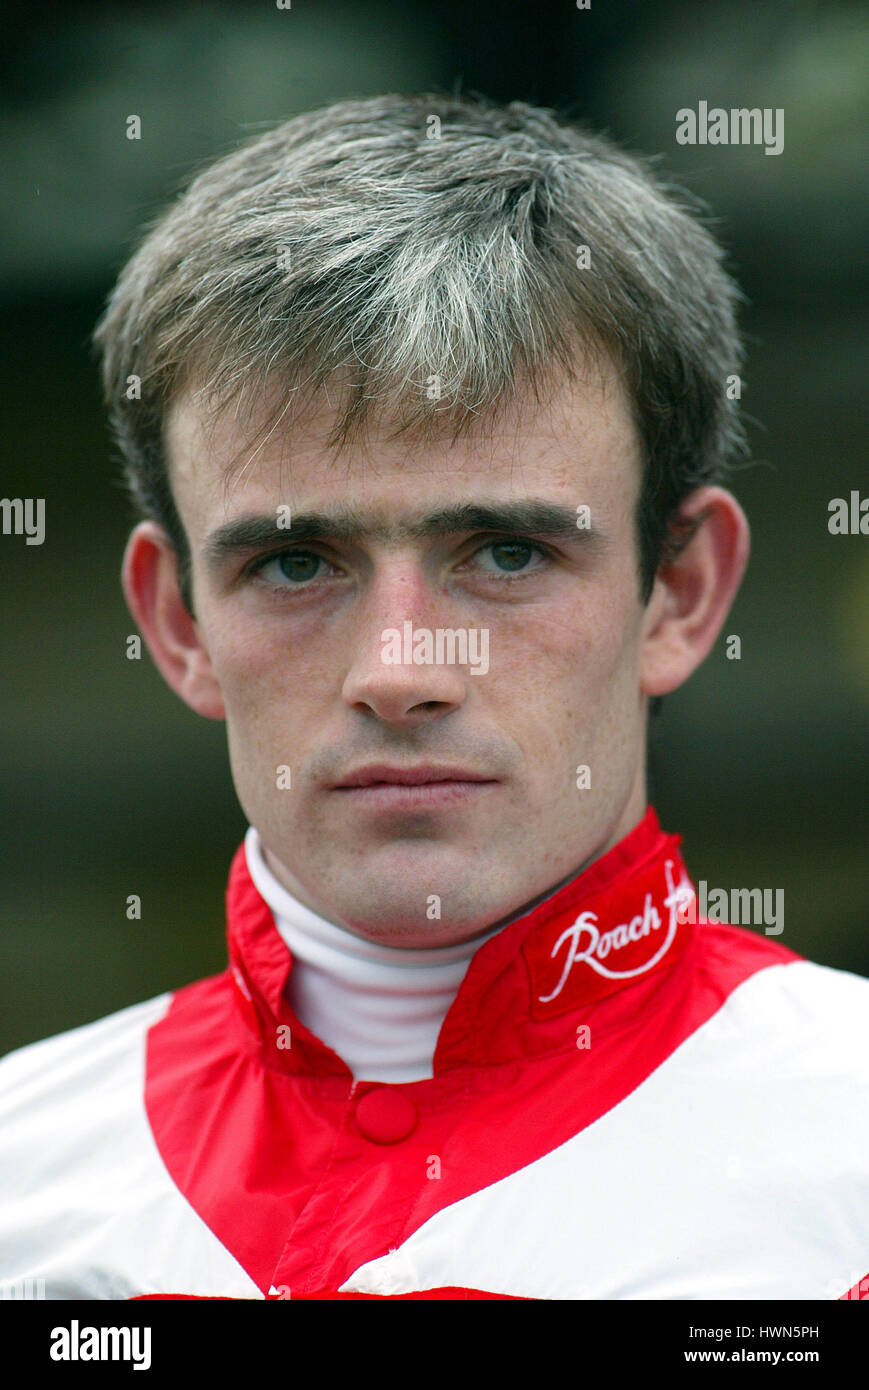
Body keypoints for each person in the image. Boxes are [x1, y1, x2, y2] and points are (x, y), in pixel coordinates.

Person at [1, 92, 867, 1303]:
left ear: (677, 591)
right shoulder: (17, 1188)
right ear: (178, 622)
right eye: (295, 563)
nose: (399, 670)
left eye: (506, 553)